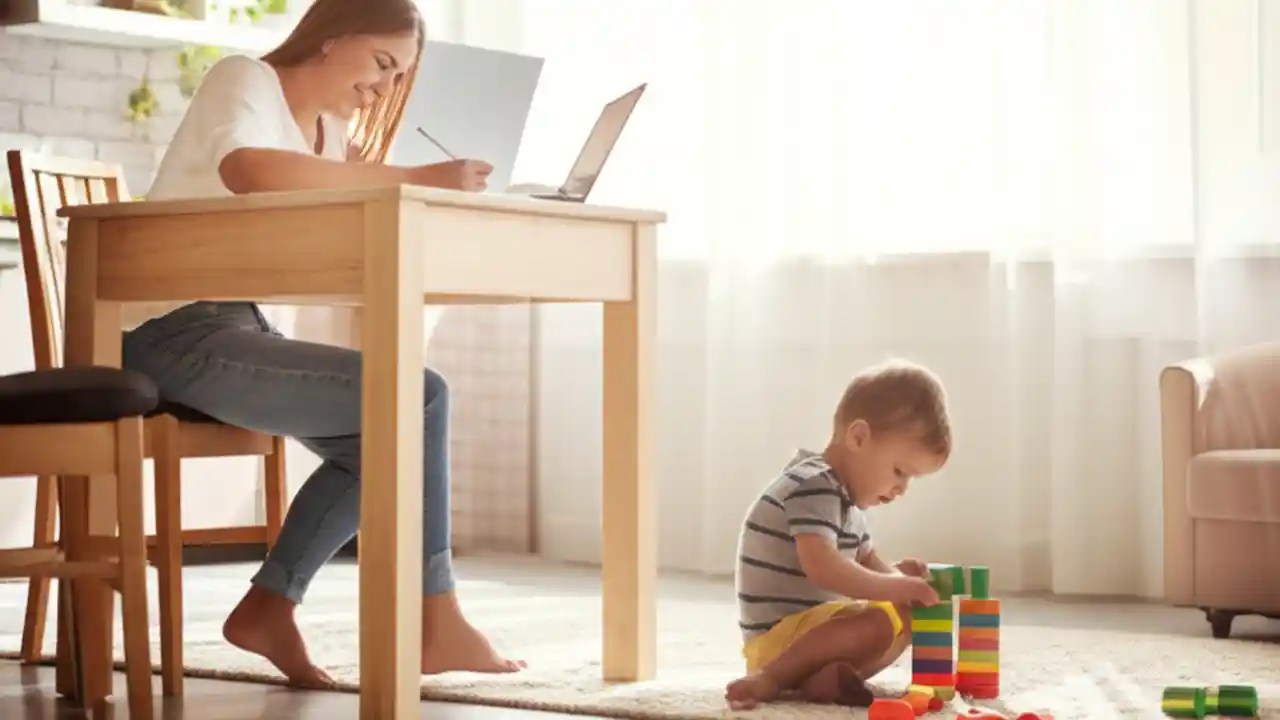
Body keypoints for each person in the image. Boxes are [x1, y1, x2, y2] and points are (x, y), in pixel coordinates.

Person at [122, 0, 520, 689]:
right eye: (381, 64)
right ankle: (437, 616)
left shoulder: (329, 134)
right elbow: (248, 170)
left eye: (399, 77)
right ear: (333, 37)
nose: (385, 88)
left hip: (241, 328)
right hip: (173, 330)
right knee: (419, 398)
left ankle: (271, 605)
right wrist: (414, 178)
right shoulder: (243, 78)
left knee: (392, 438)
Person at [724, 360, 952, 709]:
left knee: (907, 618)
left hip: (816, 630)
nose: (901, 488)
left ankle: (818, 679)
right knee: (876, 622)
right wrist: (896, 587)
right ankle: (771, 677)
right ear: (858, 437)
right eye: (898, 471)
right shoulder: (814, 485)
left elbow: (868, 562)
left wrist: (899, 581)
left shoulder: (847, 501)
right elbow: (825, 569)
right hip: (779, 639)